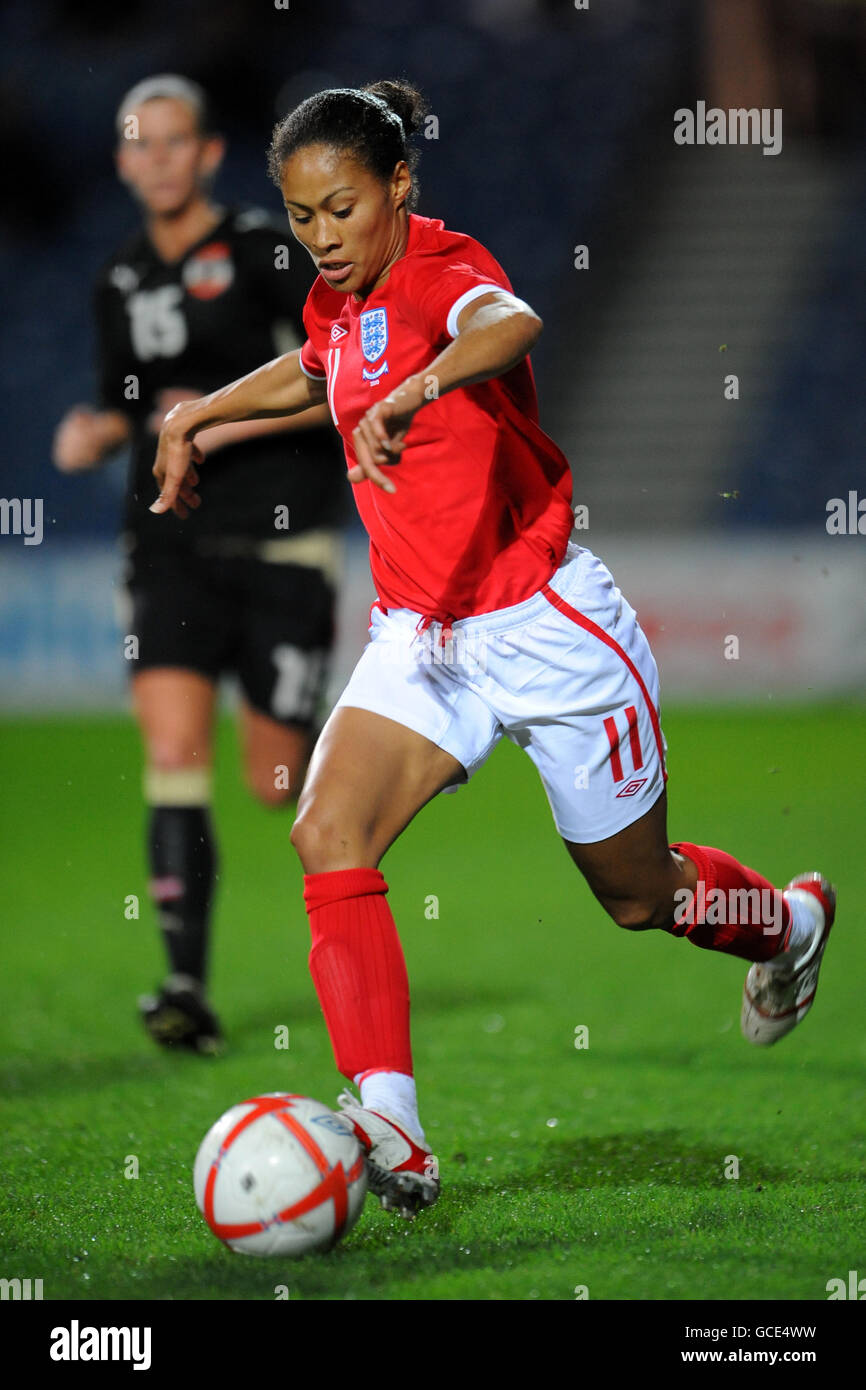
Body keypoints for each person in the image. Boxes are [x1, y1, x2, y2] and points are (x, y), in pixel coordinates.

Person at [151, 79, 836, 1215]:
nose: (323, 237)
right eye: (303, 214)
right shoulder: (340, 297)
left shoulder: (442, 270)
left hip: (546, 627)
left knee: (634, 896)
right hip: (423, 637)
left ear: (399, 188)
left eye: (344, 209)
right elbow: (320, 370)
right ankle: (393, 1124)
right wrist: (198, 417)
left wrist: (418, 390)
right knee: (329, 831)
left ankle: (790, 922)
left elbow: (507, 323)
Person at [53, 75, 346, 1055]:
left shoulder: (265, 249)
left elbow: (340, 378)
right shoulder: (119, 280)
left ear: (207, 153)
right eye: (139, 145)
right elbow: (128, 406)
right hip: (169, 545)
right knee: (173, 755)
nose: (157, 159)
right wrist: (97, 431)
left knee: (271, 781)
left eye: (174, 141)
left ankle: (382, 737)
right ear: (125, 161)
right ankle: (184, 983)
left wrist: (216, 412)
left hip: (280, 541)